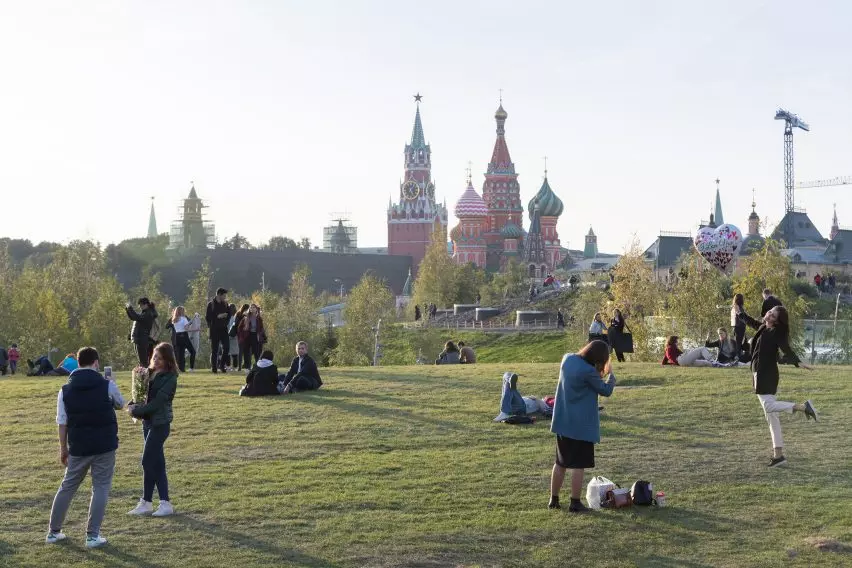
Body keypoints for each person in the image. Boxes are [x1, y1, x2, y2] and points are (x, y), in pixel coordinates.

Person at [46, 347, 125, 548]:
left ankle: (53, 532)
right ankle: (92, 535)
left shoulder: (64, 390)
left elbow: (62, 422)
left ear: (78, 363)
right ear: (96, 363)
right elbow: (121, 404)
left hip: (78, 445)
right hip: (104, 444)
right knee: (100, 487)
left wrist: (63, 448)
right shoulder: (106, 384)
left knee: (68, 486)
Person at [738, 305, 816, 467]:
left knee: (769, 406)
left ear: (777, 322)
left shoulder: (776, 333)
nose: (769, 314)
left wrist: (798, 362)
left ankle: (803, 407)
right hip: (759, 374)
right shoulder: (763, 328)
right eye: (770, 311)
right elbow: (753, 322)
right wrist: (740, 313)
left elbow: (786, 348)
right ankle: (778, 455)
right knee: (772, 416)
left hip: (767, 375)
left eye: (773, 315)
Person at [548, 340, 616, 512]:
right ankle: (575, 502)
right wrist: (611, 377)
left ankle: (554, 499)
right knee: (579, 465)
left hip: (564, 422)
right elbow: (605, 390)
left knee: (560, 462)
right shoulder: (588, 372)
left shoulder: (567, 359)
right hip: (581, 425)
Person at [127, 342, 178, 516]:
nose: (156, 360)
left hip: (160, 424)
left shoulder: (170, 378)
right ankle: (150, 502)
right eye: (155, 356)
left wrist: (138, 411)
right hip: (147, 423)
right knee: (157, 463)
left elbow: (158, 403)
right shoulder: (146, 373)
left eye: (160, 358)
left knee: (147, 461)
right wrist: (132, 404)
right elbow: (139, 395)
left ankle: (161, 503)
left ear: (167, 360)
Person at [126, 297, 158, 366]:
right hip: (138, 338)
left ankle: (146, 374)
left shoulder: (148, 313)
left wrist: (130, 308)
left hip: (142, 338)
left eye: (141, 305)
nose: (140, 307)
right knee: (141, 360)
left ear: (146, 304)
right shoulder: (145, 312)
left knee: (143, 360)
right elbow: (133, 318)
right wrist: (128, 309)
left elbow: (136, 317)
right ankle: (143, 374)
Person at [205, 287, 230, 373]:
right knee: (214, 350)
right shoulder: (211, 304)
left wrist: (225, 318)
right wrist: (217, 316)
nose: (225, 297)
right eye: (224, 295)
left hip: (224, 329)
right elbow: (207, 318)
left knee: (227, 347)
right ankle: (214, 368)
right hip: (214, 329)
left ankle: (222, 366)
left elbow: (229, 314)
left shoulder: (226, 304)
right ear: (219, 295)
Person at [167, 306, 196, 373]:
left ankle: (180, 369)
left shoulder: (174, 319)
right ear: (181, 311)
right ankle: (191, 368)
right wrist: (196, 329)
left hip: (177, 337)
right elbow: (186, 328)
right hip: (184, 336)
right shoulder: (183, 318)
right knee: (193, 352)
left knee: (180, 354)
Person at [238, 304, 266, 370]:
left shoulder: (258, 318)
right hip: (247, 335)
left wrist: (261, 334)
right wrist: (242, 334)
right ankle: (247, 366)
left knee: (257, 351)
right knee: (246, 352)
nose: (252, 308)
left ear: (256, 309)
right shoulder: (246, 317)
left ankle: (258, 366)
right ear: (249, 309)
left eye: (254, 307)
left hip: (255, 335)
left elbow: (261, 328)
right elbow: (239, 328)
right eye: (251, 307)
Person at [227, 304, 239, 370]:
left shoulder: (227, 317)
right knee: (235, 353)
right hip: (235, 336)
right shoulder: (236, 317)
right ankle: (235, 367)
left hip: (227, 336)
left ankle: (228, 366)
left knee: (228, 352)